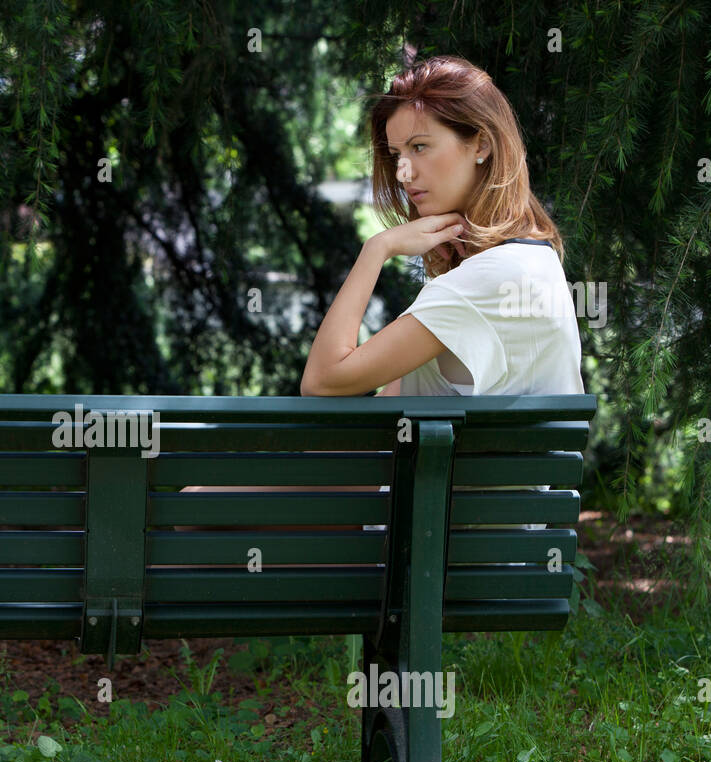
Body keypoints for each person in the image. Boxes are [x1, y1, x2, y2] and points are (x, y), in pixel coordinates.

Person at [184, 54, 585, 544]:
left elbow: (324, 381)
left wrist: (377, 250)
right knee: (202, 518)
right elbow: (386, 406)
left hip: (420, 538)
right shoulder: (532, 263)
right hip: (465, 536)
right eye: (397, 153)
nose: (402, 172)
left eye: (420, 146)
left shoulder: (485, 282)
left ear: (481, 142)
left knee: (192, 513)